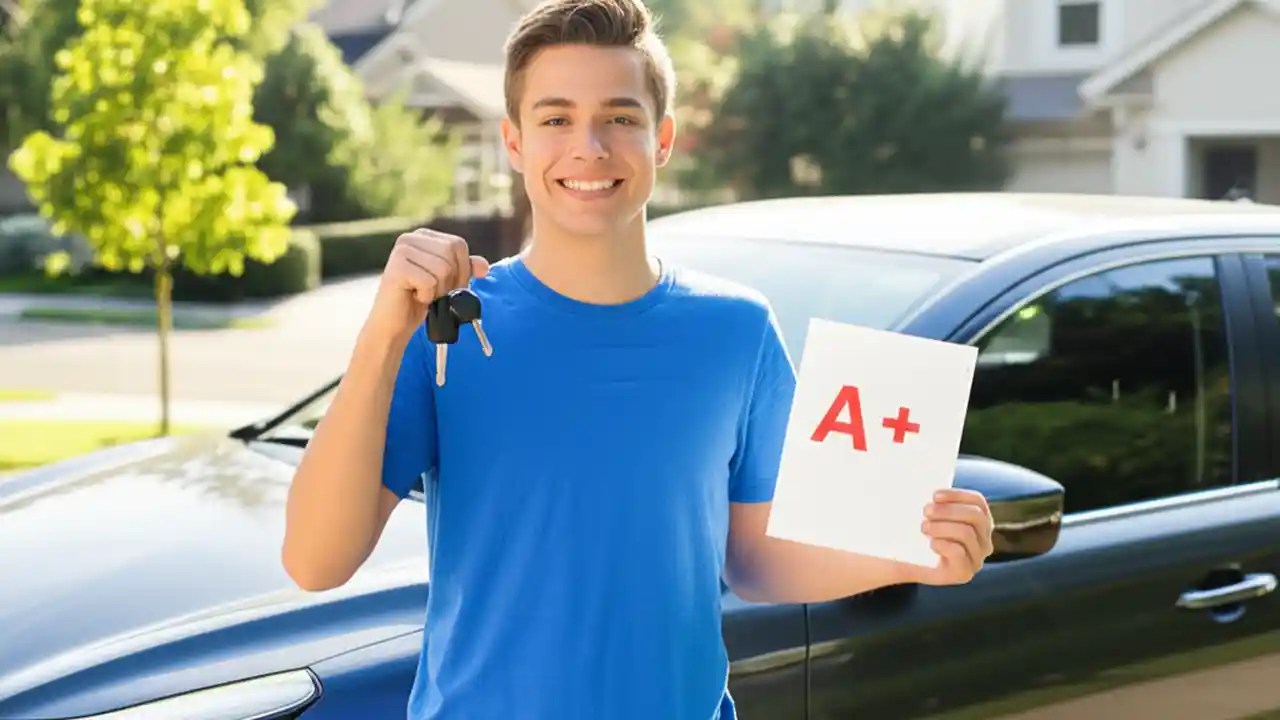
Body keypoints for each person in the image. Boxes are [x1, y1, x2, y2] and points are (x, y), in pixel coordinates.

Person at [281, 0, 995, 717]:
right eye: (555, 118)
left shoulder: (736, 331)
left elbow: (750, 560)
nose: (589, 145)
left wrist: (907, 554)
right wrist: (381, 335)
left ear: (663, 139)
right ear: (515, 142)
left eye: (620, 116)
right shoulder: (443, 331)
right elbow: (316, 562)